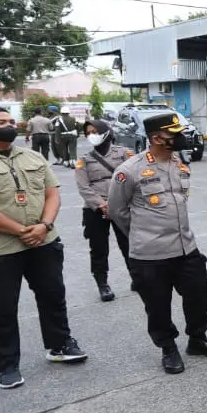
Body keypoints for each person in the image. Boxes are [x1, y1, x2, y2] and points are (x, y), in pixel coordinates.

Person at [0, 106, 87, 389]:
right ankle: (6, 365)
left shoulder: (33, 157)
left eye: (12, 121)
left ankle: (60, 345)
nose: (10, 125)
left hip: (44, 241)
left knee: (53, 296)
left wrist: (44, 226)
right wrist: (21, 231)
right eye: (1, 122)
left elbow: (52, 194)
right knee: (2, 308)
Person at [108, 112, 207, 374]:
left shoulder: (178, 163)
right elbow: (117, 211)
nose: (181, 137)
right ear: (156, 138)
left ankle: (197, 338)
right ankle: (168, 348)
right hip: (150, 254)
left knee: (198, 295)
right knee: (157, 305)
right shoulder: (129, 170)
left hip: (186, 247)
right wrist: (141, 233)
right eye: (174, 133)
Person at [74, 118, 135, 302]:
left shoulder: (124, 153)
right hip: (95, 210)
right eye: (88, 133)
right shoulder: (84, 160)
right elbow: (83, 187)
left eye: (95, 132)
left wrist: (117, 204)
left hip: (122, 206)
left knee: (129, 244)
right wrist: (102, 205)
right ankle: (103, 284)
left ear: (106, 131)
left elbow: (134, 177)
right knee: (99, 248)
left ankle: (137, 277)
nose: (91, 136)